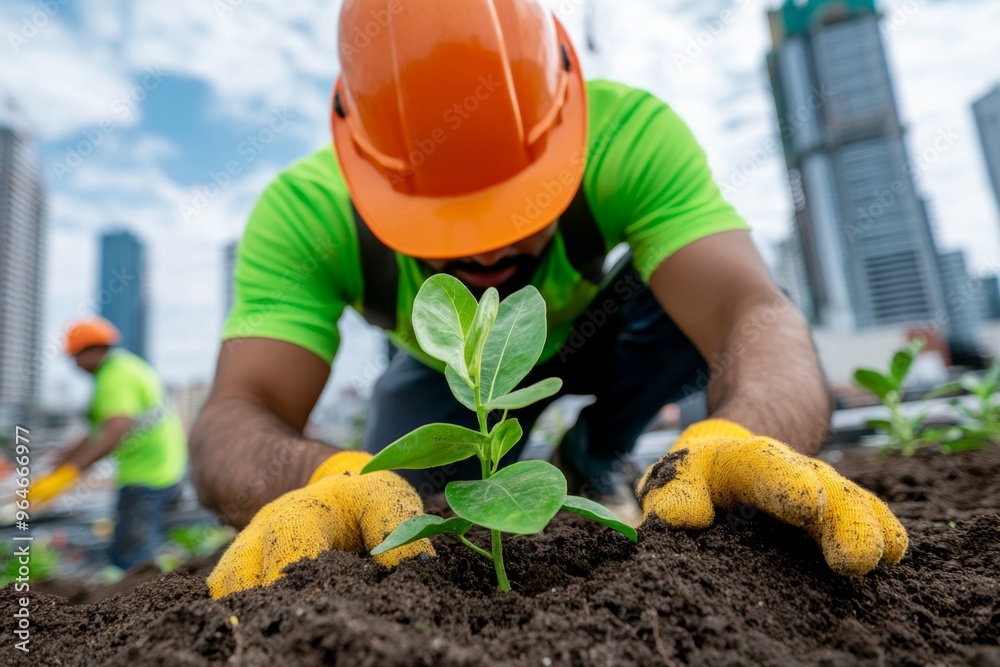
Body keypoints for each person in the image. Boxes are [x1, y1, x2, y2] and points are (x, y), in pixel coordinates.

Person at [194, 0, 907, 599]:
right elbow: (234, 414)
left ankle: (596, 449)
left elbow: (754, 312)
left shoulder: (629, 136)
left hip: (601, 336)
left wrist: (745, 433)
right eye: (443, 224)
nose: (483, 252)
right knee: (399, 510)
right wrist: (326, 476)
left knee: (696, 306)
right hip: (455, 380)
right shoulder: (305, 214)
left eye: (514, 210)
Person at [30, 316, 188, 570]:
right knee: (131, 551)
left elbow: (114, 432)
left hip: (147, 477)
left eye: (77, 356)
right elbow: (98, 431)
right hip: (161, 471)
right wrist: (62, 459)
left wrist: (68, 474)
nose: (75, 364)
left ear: (95, 350)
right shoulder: (123, 368)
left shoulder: (116, 377)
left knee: (133, 560)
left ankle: (145, 607)